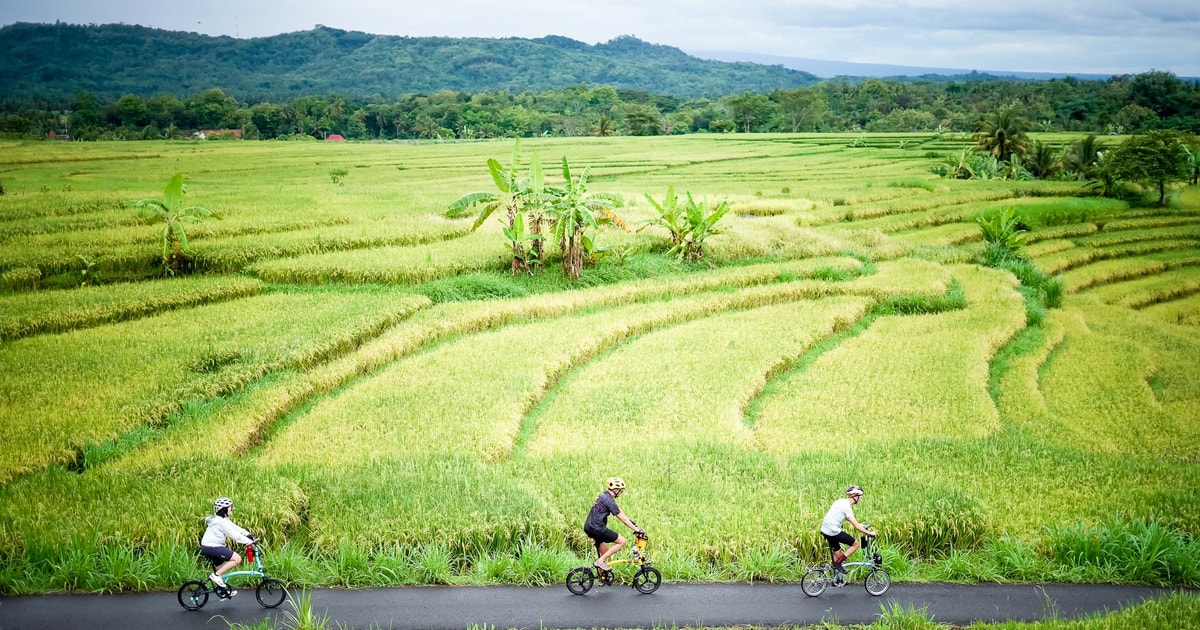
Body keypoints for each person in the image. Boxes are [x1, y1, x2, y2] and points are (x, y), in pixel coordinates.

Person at [583, 477, 643, 572]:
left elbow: (618, 510)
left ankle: (602, 579)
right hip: (597, 528)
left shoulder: (604, 495)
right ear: (616, 490)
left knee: (605, 553)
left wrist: (630, 521)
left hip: (589, 527)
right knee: (622, 541)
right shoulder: (609, 501)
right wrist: (637, 530)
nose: (621, 493)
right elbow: (623, 519)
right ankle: (600, 561)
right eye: (621, 491)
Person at [200, 497, 254, 598]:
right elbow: (234, 535)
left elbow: (235, 528)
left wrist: (247, 534)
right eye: (230, 507)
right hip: (212, 547)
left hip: (211, 546)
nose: (232, 509)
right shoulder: (220, 522)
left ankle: (223, 591)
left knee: (220, 570)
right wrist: (249, 541)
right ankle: (215, 576)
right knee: (237, 559)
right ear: (224, 509)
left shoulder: (222, 519)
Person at [820, 485, 876, 578]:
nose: (861, 499)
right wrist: (870, 533)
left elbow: (841, 517)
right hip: (833, 531)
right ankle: (837, 565)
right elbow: (856, 526)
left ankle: (836, 579)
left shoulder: (840, 502)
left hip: (826, 529)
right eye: (860, 497)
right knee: (856, 544)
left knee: (837, 554)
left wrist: (860, 525)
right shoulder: (847, 507)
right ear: (855, 496)